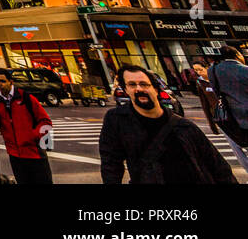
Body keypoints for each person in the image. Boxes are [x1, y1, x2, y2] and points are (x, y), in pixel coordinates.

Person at [99, 65, 235, 184]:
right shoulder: (117, 119)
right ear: (126, 90)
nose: (138, 89)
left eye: (144, 84)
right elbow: (111, 163)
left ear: (156, 89)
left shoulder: (184, 126)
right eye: (132, 85)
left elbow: (217, 165)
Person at [0, 67, 54, 184]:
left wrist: (32, 136)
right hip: (14, 154)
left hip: (34, 153)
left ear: (11, 82)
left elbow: (46, 122)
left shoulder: (25, 98)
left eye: (2, 81)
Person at [208, 46, 248, 172]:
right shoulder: (244, 70)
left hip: (228, 118)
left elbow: (216, 93)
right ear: (236, 55)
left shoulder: (212, 70)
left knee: (237, 149)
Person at [191, 62, 221, 135]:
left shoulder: (218, 77)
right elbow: (205, 104)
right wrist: (213, 126)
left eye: (200, 69)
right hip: (218, 113)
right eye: (196, 70)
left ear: (207, 68)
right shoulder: (200, 83)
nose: (198, 72)